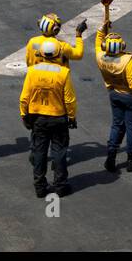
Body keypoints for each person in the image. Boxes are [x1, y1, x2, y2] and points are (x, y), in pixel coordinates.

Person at [19, 40, 77, 198]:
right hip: (58, 117)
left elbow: (24, 97)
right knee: (59, 152)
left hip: (38, 118)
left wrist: (24, 115)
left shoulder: (32, 71)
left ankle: (39, 186)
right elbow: (69, 99)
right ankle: (60, 185)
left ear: (41, 54)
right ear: (58, 54)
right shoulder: (63, 72)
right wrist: (71, 117)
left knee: (39, 152)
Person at [95, 22, 132, 173]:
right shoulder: (127, 61)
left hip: (114, 95)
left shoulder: (101, 57)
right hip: (131, 99)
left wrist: (101, 30)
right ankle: (131, 161)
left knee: (117, 126)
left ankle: (111, 158)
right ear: (122, 47)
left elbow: (97, 44)